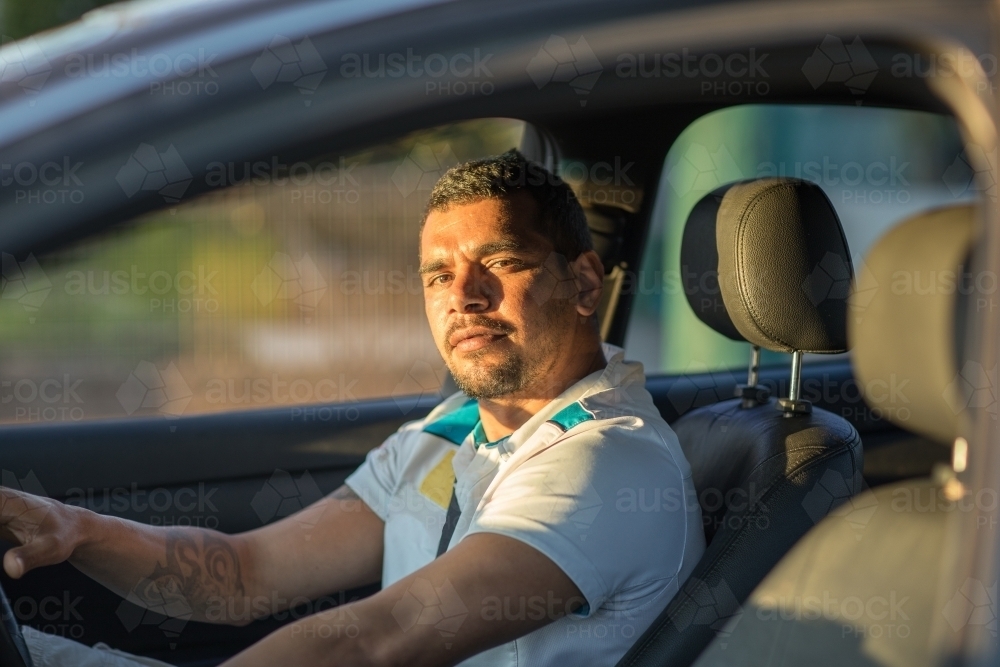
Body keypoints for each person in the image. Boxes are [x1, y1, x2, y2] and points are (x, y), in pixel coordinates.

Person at [0, 149, 705, 667]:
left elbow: (381, 637)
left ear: (584, 282)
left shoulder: (606, 460)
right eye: (439, 275)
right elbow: (244, 575)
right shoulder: (445, 434)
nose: (464, 295)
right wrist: (77, 530)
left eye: (502, 260)